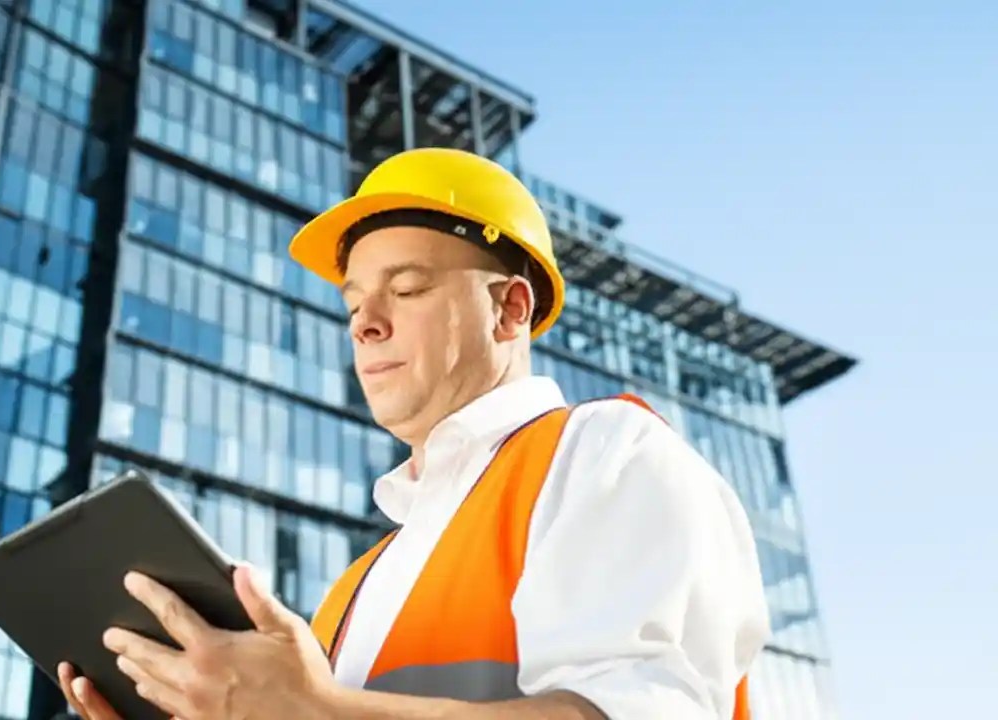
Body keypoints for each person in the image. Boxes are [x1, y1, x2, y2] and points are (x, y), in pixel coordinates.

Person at [56, 147, 771, 719]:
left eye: (406, 289)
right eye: (355, 303)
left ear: (510, 310)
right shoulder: (349, 594)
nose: (365, 323)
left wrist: (316, 713)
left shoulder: (605, 450)